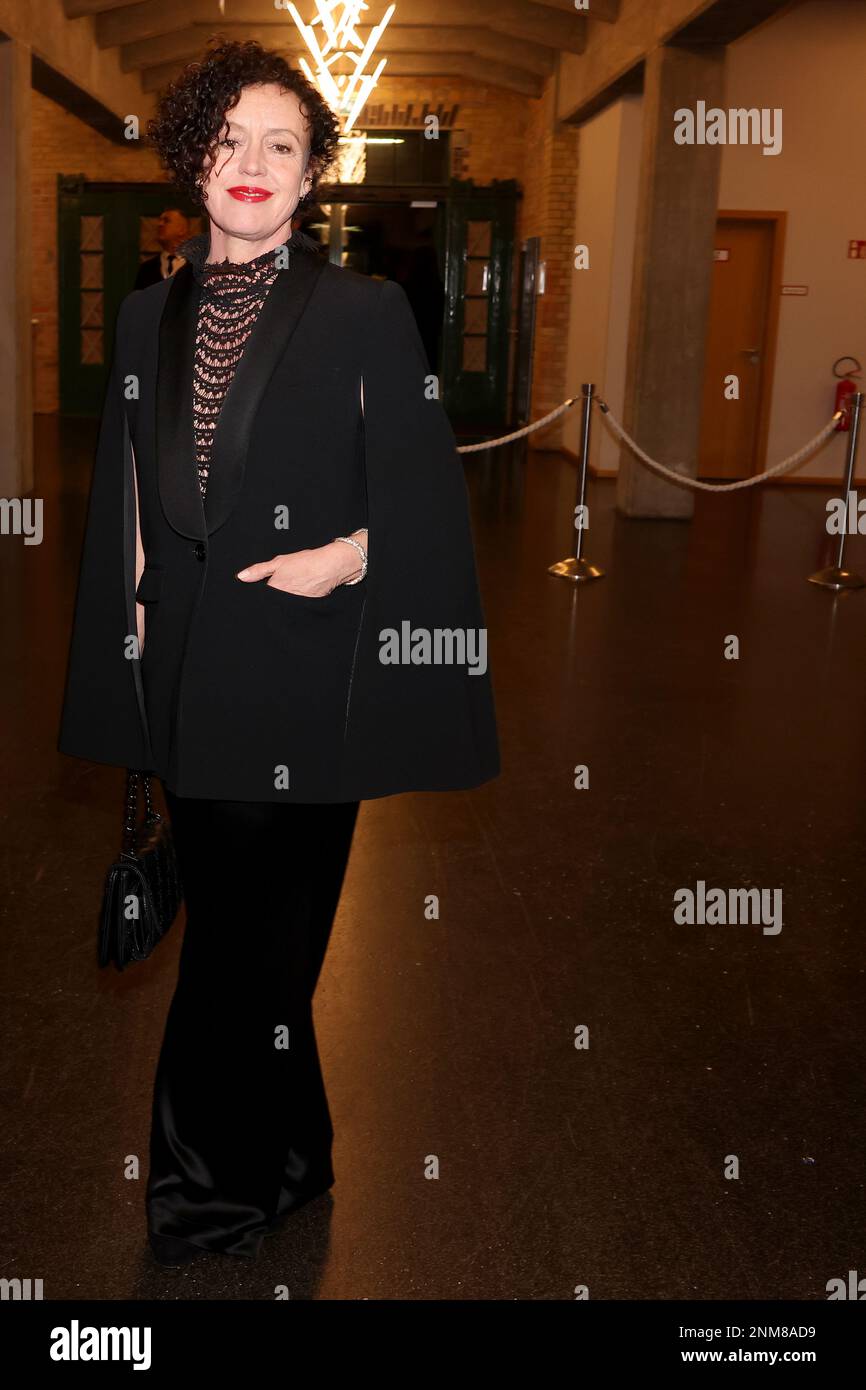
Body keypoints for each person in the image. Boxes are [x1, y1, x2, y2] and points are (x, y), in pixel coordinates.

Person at [58, 39, 499, 1268]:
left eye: (282, 147)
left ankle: (203, 1193)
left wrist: (346, 556)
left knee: (250, 952)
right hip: (190, 675)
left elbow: (419, 496)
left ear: (312, 178)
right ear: (194, 160)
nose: (251, 165)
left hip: (308, 677)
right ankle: (293, 1159)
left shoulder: (361, 312)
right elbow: (133, 500)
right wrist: (131, 628)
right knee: (252, 948)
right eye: (230, 141)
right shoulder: (148, 312)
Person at [133, 208, 191, 289]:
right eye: (160, 220)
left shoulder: (196, 266)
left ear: (182, 229)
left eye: (166, 221)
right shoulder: (146, 269)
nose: (160, 224)